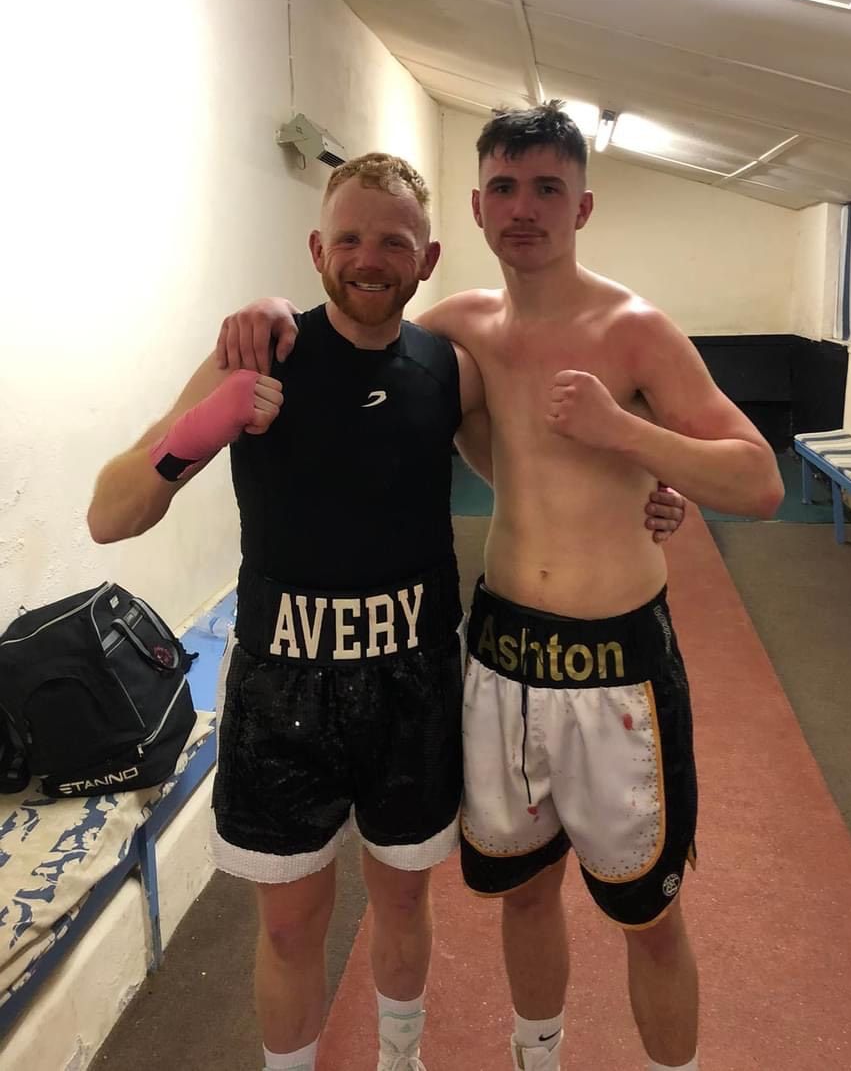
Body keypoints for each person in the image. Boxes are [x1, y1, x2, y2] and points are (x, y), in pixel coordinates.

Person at [88, 149, 686, 1071]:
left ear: (429, 258)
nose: (372, 258)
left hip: (411, 684)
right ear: (318, 248)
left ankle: (396, 1061)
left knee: (403, 903)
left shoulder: (445, 365)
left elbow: (534, 467)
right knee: (289, 929)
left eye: (394, 242)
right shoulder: (259, 348)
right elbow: (110, 515)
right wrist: (196, 433)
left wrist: (648, 492)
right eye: (353, 239)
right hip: (278, 692)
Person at [222, 105, 783, 1071]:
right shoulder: (458, 330)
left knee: (647, 916)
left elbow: (758, 479)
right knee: (524, 894)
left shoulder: (635, 328)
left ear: (583, 205)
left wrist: (633, 440)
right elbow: (360, 320)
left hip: (621, 662)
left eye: (548, 188)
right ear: (477, 209)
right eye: (506, 188)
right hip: (506, 650)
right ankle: (539, 1059)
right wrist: (271, 310)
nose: (525, 209)